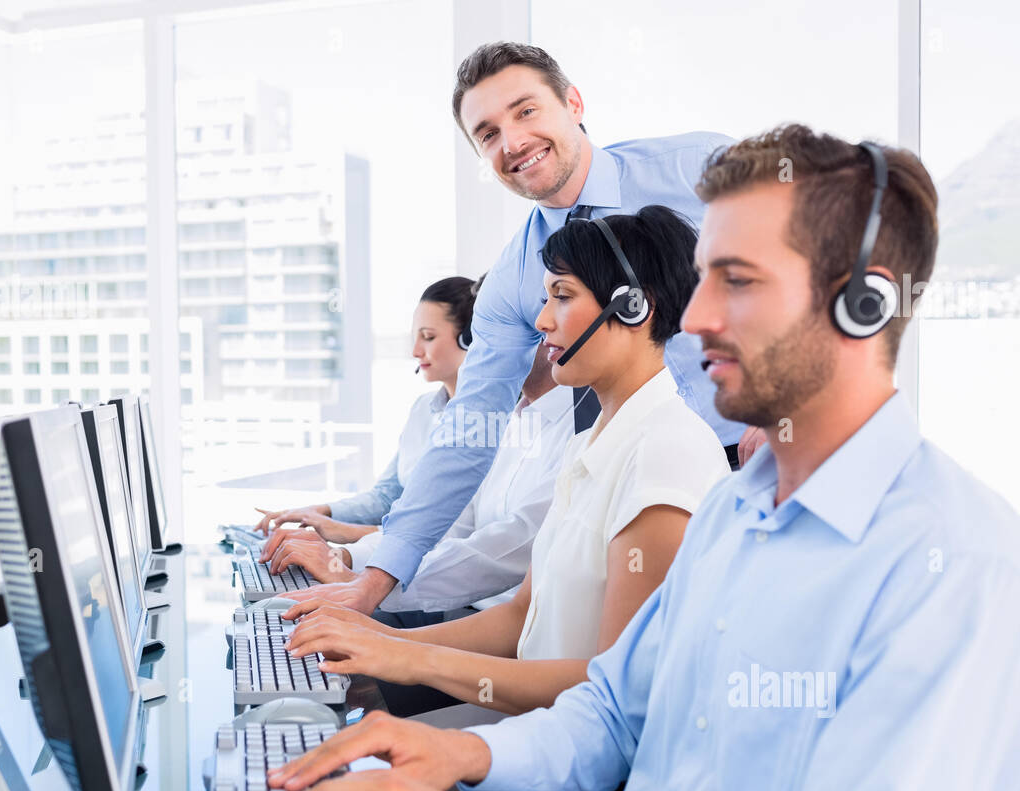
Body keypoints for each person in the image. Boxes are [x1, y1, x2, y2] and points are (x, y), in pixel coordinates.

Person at [263, 125, 1020, 791]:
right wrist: (460, 755)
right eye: (699, 281)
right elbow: (614, 710)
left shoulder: (959, 578)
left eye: (738, 281)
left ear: (861, 304)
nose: (692, 318)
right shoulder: (735, 512)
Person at [280, 42, 752, 617]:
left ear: (573, 102)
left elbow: (825, 259)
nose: (513, 142)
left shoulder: (696, 168)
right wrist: (376, 579)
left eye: (526, 111)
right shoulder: (513, 278)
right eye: (487, 133)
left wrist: (789, 410)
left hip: (763, 457)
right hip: (631, 485)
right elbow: (469, 428)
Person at [280, 206, 730, 720]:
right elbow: (520, 617)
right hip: (537, 725)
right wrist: (377, 640)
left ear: (631, 308)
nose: (541, 322)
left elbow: (617, 690)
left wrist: (404, 657)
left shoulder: (665, 454)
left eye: (561, 297)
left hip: (587, 766)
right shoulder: (593, 444)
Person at [259, 341, 582, 626]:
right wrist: (349, 560)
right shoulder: (505, 424)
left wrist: (373, 582)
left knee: (344, 659)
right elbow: (444, 525)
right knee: (299, 627)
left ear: (543, 334)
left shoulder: (579, 430)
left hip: (495, 623)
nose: (478, 350)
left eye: (493, 331)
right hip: (460, 607)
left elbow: (510, 545)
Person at [251, 276, 475, 550]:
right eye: (415, 337)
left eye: (428, 337)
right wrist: (318, 512)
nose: (416, 351)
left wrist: (343, 531)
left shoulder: (486, 424)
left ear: (469, 339)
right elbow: (387, 496)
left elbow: (449, 533)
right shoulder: (422, 410)